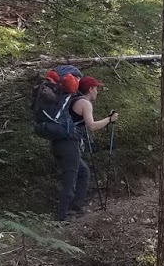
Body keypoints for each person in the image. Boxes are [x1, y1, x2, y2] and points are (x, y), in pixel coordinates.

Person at [49, 75, 117, 219]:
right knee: (70, 181)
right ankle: (61, 217)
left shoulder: (73, 100)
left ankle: (75, 208)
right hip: (68, 145)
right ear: (90, 89)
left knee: (83, 172)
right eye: (96, 88)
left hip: (60, 143)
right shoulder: (85, 103)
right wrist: (110, 119)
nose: (97, 91)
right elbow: (91, 126)